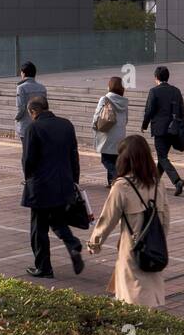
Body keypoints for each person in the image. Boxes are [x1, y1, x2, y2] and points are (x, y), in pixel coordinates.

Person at [87, 133, 170, 306]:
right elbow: (165, 219)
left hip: (132, 249)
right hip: (154, 248)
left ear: (124, 159)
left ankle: (135, 330)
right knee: (151, 295)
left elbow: (106, 219)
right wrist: (158, 241)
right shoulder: (158, 184)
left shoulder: (122, 186)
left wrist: (94, 243)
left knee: (133, 297)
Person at [21, 94, 85, 278]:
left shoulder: (33, 128)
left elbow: (28, 160)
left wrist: (29, 179)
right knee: (57, 220)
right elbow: (74, 154)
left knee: (38, 228)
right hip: (64, 183)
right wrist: (74, 180)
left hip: (41, 186)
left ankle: (44, 267)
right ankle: (72, 244)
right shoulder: (66, 124)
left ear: (33, 111)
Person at [142, 65, 184, 195]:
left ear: (156, 77)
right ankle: (154, 181)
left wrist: (144, 125)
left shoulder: (154, 91)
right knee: (163, 157)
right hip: (174, 129)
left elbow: (149, 110)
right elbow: (181, 110)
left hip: (160, 130)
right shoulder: (176, 91)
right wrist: (181, 126)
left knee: (162, 157)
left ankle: (177, 180)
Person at [92, 76, 129, 185]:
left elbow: (97, 115)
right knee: (114, 157)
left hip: (107, 132)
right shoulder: (124, 102)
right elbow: (126, 119)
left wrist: (94, 126)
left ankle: (118, 178)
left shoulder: (104, 99)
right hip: (120, 134)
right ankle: (111, 181)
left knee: (106, 159)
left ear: (110, 86)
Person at [15, 61, 47, 145]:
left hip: (26, 125)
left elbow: (21, 107)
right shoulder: (42, 87)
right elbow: (45, 107)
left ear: (24, 73)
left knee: (27, 151)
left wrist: (17, 118)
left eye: (21, 72)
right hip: (40, 124)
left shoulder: (21, 88)